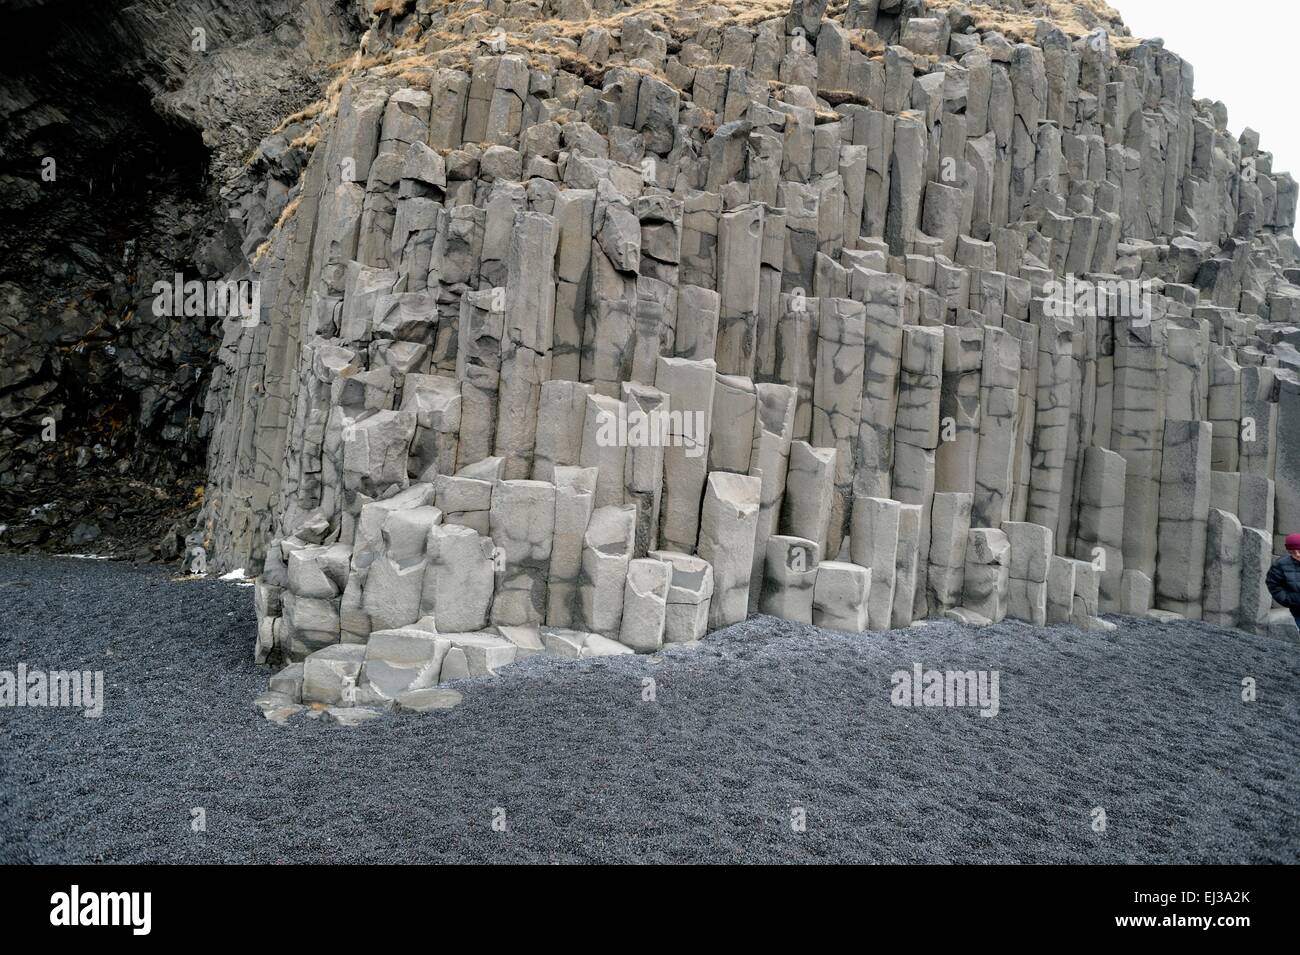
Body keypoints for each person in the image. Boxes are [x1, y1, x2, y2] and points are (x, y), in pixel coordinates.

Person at [1265, 533, 1300, 629]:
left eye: (1299, 550)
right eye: (1292, 552)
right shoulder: (1280, 564)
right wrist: (1288, 599)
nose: (1297, 554)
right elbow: (1273, 584)